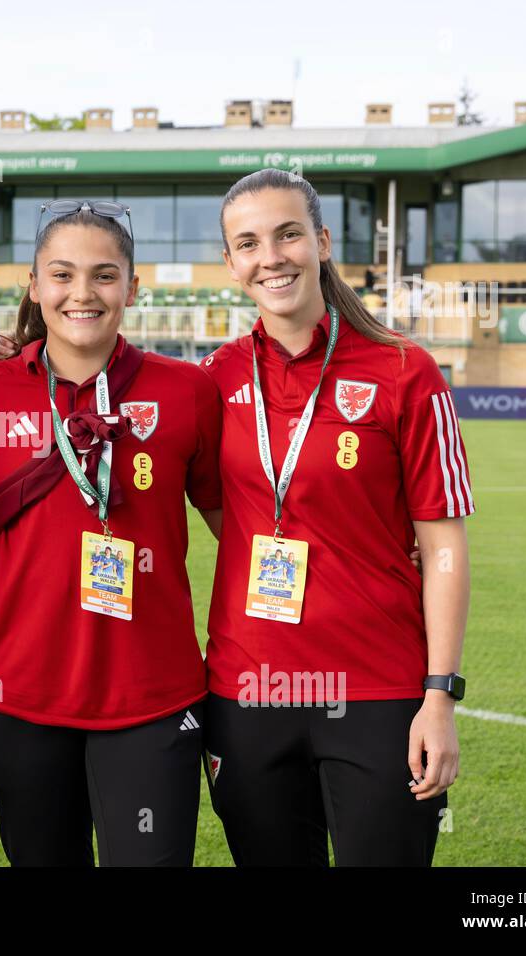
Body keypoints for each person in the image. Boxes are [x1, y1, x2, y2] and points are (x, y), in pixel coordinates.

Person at [199, 168, 471, 866]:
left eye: (288, 234)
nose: (272, 256)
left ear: (321, 241)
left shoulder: (406, 371)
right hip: (248, 690)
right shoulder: (211, 380)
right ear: (231, 262)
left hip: (378, 693)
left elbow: (444, 549)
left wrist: (439, 695)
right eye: (250, 243)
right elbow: (215, 506)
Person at [0, 201, 223, 866]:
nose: (83, 294)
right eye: (63, 275)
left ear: (134, 287)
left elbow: (240, 528)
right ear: (34, 284)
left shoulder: (187, 391)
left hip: (151, 698)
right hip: (17, 694)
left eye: (104, 276)